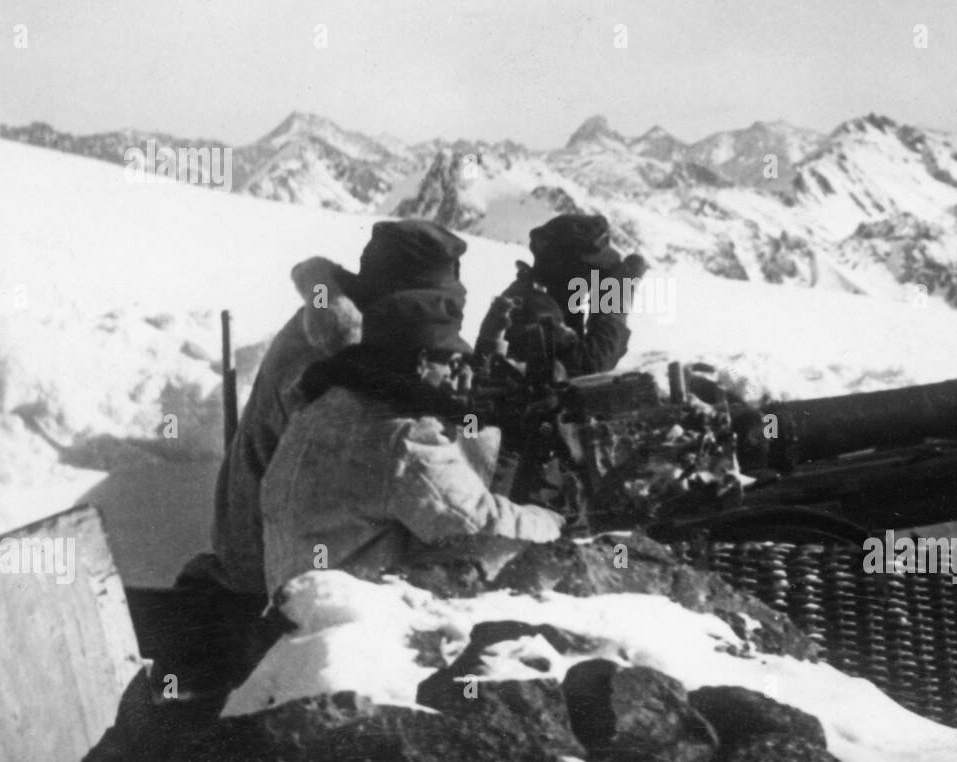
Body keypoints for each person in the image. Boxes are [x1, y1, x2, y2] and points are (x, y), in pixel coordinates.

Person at [206, 219, 469, 596]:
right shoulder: (328, 353)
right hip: (266, 569)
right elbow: (367, 454)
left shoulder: (347, 328)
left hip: (280, 548)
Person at [261, 287, 563, 597]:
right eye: (453, 365)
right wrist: (553, 522)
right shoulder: (403, 438)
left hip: (301, 600)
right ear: (421, 363)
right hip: (350, 611)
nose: (463, 378)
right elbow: (479, 521)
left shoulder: (320, 409)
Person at [478, 213, 647, 379]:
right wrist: (613, 303)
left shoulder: (545, 295)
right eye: (592, 272)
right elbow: (587, 368)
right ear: (568, 269)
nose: (594, 282)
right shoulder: (535, 306)